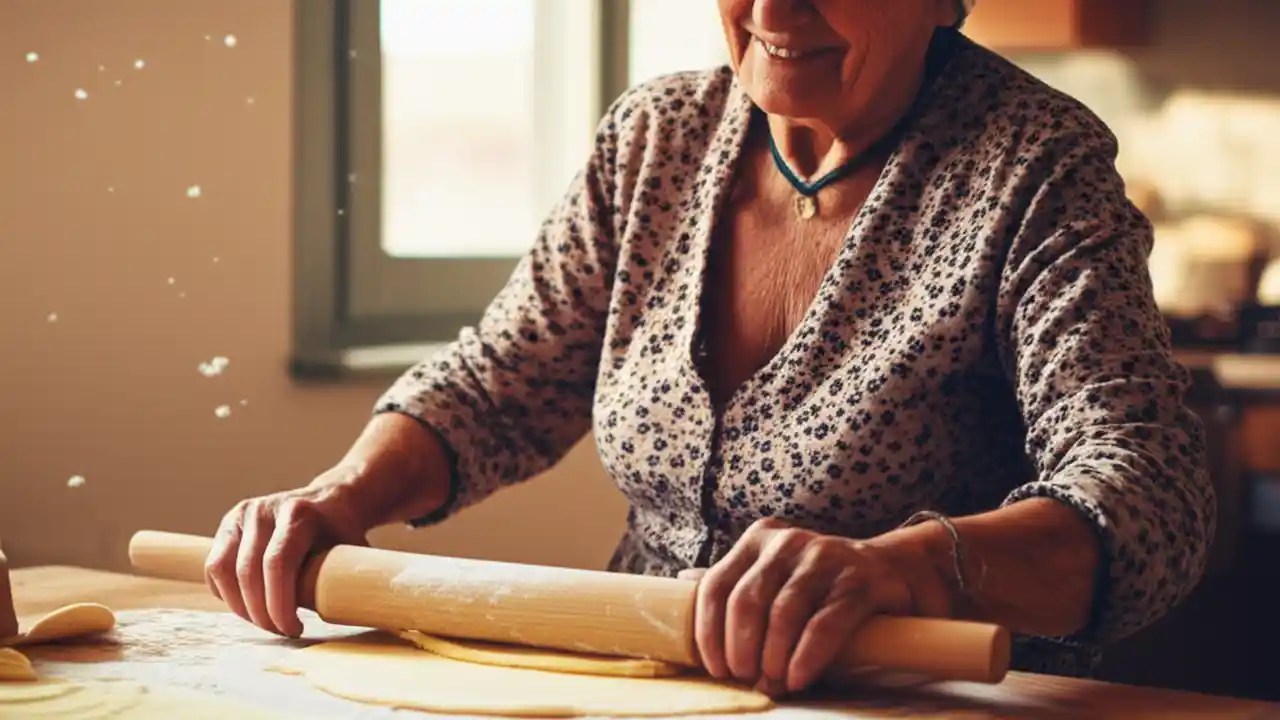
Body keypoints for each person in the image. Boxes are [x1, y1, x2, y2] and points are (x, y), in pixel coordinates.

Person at [205, 0, 1214, 695]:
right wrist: (338, 498)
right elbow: (499, 386)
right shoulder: (654, 138)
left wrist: (901, 570)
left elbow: (1143, 500)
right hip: (649, 683)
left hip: (933, 702)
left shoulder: (1034, 167)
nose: (773, 10)